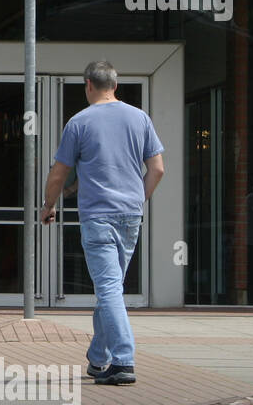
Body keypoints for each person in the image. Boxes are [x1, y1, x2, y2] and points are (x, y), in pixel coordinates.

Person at [41, 62, 164, 385]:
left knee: (108, 289)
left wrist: (48, 205)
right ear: (115, 84)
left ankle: (123, 361)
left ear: (88, 85)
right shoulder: (140, 118)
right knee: (111, 289)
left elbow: (59, 172)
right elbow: (157, 169)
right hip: (130, 215)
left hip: (98, 216)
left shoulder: (79, 122)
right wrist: (140, 200)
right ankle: (99, 359)